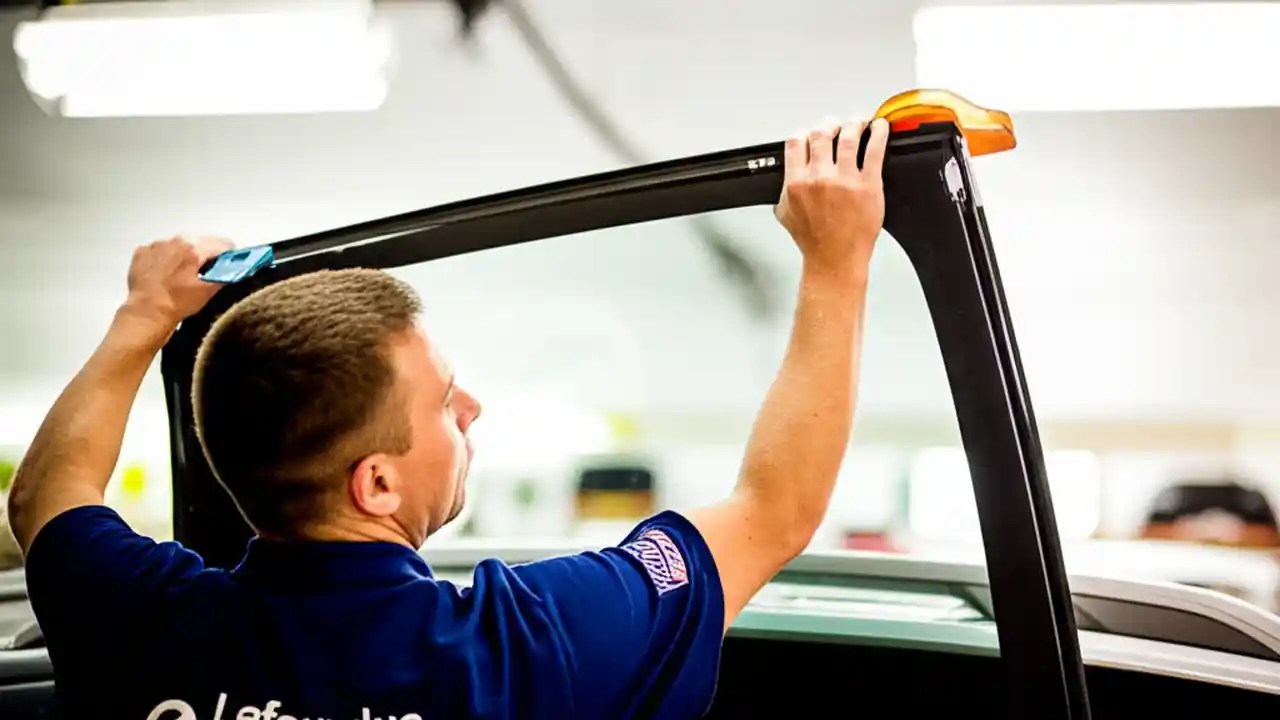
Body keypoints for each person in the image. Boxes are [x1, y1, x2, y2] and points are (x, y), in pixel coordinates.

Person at [8, 115, 888, 719]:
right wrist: (838, 261)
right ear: (377, 483)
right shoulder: (529, 646)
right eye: (441, 400)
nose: (470, 407)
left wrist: (141, 317)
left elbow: (46, 499)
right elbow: (775, 508)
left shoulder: (143, 622)